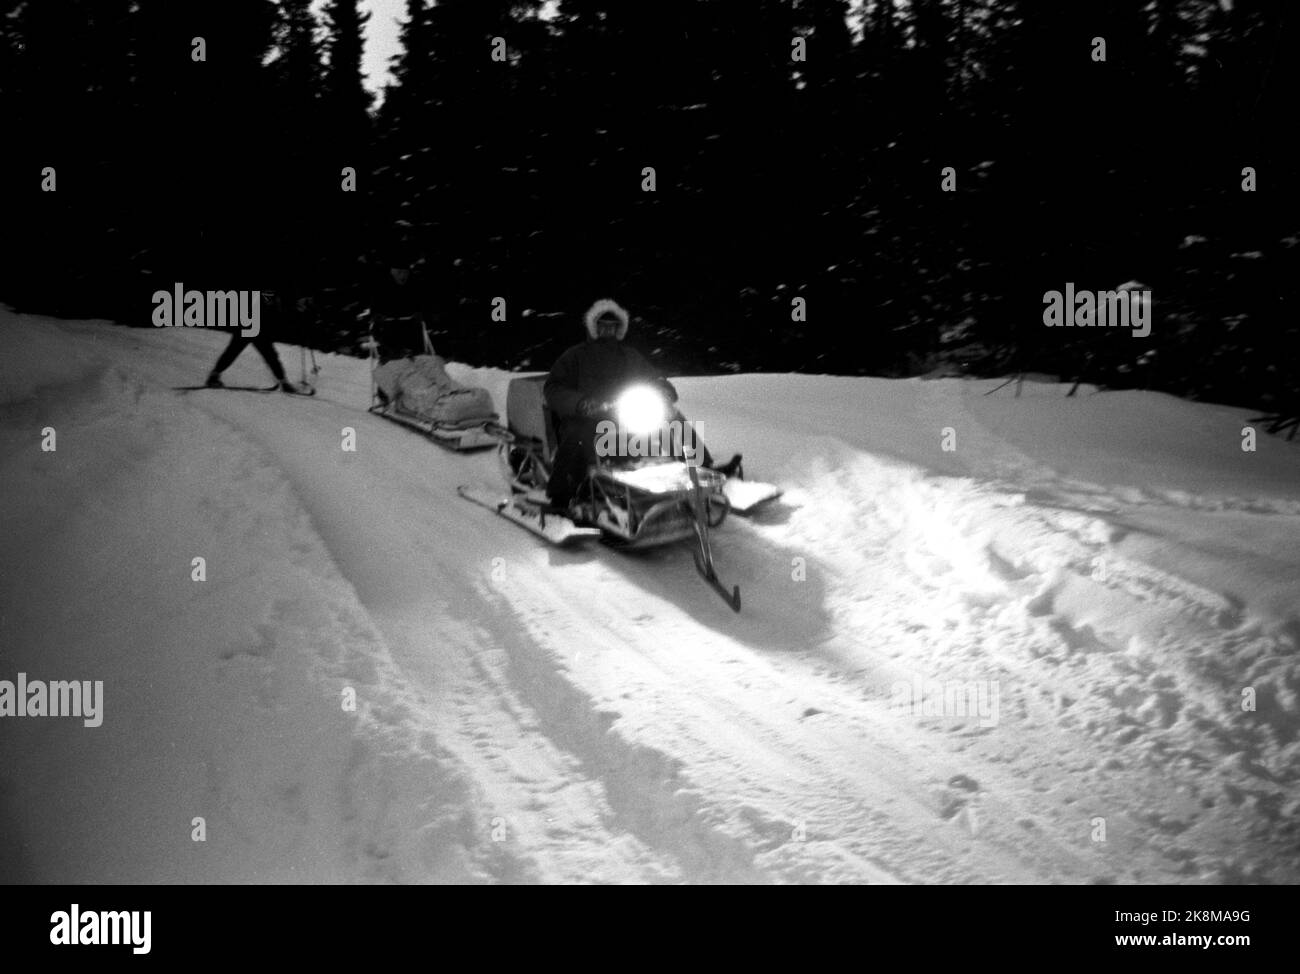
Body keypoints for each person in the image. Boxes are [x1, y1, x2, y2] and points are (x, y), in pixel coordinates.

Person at [543, 298, 739, 509]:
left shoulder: (629, 356)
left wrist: (663, 390)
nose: (607, 330)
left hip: (624, 415)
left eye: (612, 326)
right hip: (588, 417)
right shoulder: (575, 356)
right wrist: (581, 403)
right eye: (602, 325)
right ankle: (560, 496)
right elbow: (553, 388)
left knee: (671, 416)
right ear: (594, 327)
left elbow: (653, 376)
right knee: (576, 436)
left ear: (619, 329)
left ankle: (704, 467)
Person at [205, 290, 311, 393]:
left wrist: (298, 309)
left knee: (264, 354)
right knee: (240, 352)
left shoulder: (273, 295)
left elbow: (276, 309)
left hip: (255, 327)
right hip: (250, 326)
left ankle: (214, 375)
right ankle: (284, 382)